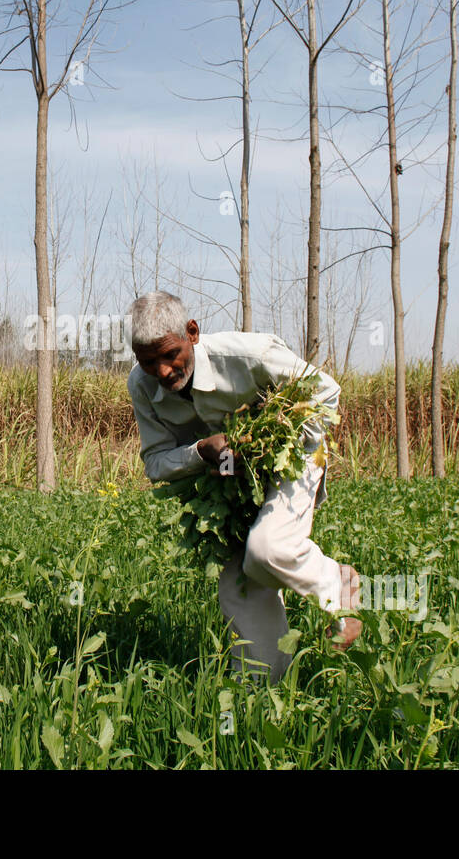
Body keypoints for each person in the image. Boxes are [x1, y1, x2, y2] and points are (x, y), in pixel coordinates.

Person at [125, 291, 361, 684]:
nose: (163, 371)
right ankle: (265, 687)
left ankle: (343, 587)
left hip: (290, 456)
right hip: (231, 480)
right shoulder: (142, 387)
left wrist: (272, 436)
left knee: (270, 548)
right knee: (240, 581)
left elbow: (326, 391)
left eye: (170, 355)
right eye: (148, 362)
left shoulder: (249, 356)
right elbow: (155, 462)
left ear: (193, 333)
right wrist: (201, 451)